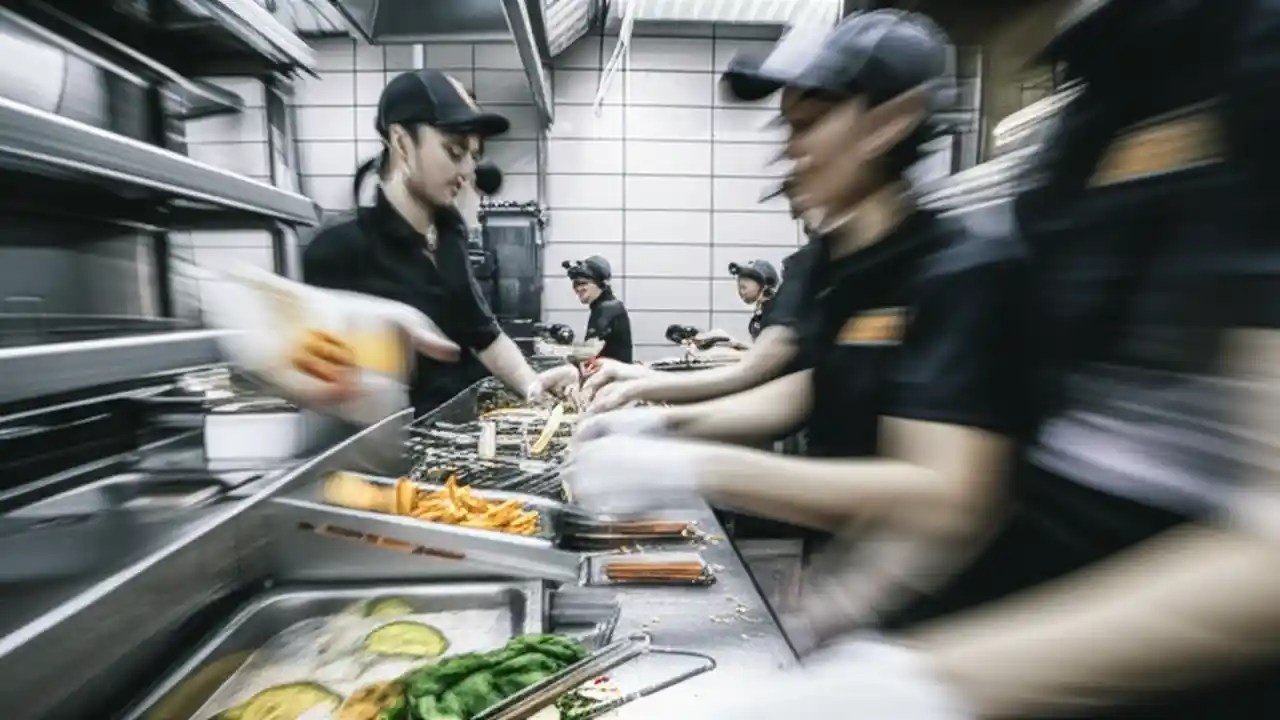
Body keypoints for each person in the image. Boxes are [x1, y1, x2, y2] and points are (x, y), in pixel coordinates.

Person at [569, 7, 1028, 633]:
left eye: (808, 124)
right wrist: (661, 426)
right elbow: (809, 387)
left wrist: (701, 466)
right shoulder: (839, 264)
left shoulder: (962, 268)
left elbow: (948, 494)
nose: (790, 152)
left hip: (957, 620)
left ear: (889, 123)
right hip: (858, 589)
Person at [302, 69, 574, 417]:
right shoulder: (336, 250)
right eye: (454, 151)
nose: (467, 171)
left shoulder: (451, 235)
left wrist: (532, 386)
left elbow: (483, 334)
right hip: (391, 458)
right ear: (401, 142)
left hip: (458, 449)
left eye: (472, 156)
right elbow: (318, 377)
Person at [563, 255, 632, 363]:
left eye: (583, 283)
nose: (578, 289)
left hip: (614, 377)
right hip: (610, 373)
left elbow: (589, 352)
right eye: (575, 284)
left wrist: (557, 352)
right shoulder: (606, 305)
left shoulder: (607, 308)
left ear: (600, 284)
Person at [730, 259, 781, 342]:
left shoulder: (774, 315)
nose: (740, 292)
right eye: (739, 288)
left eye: (744, 287)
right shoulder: (763, 312)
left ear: (764, 286)